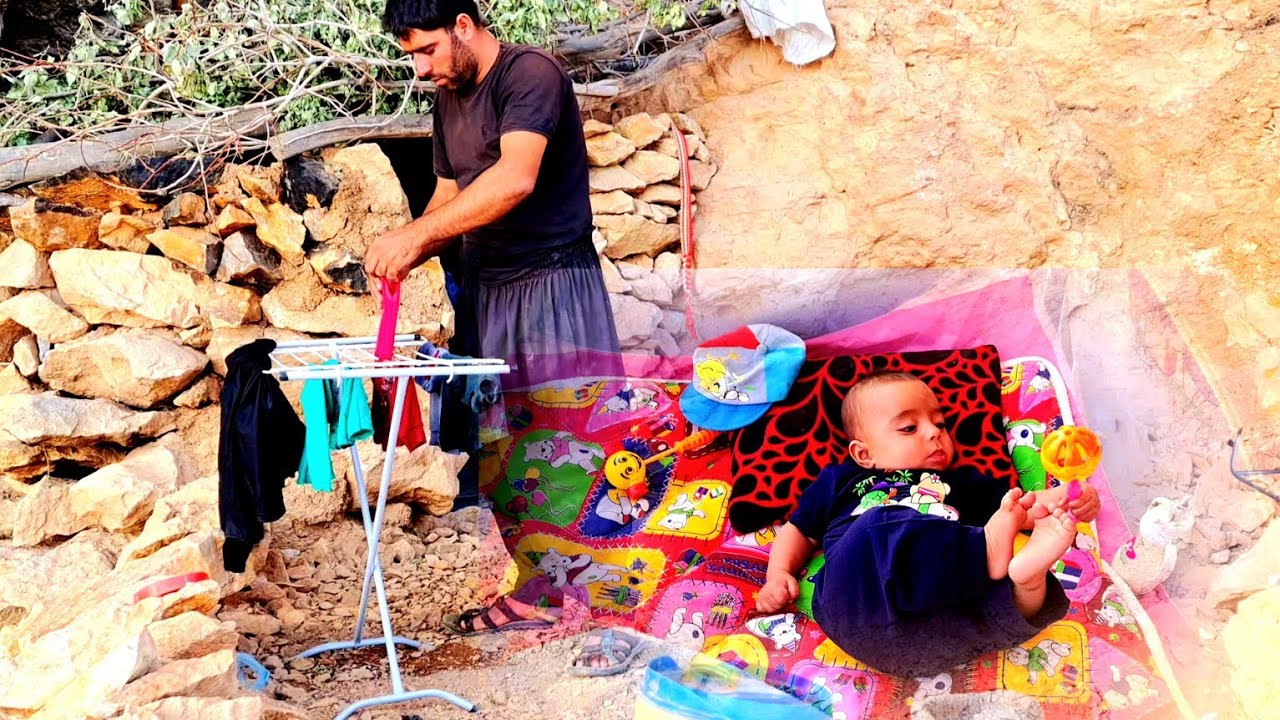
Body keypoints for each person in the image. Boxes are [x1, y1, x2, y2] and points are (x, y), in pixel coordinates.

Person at [368, 0, 628, 670]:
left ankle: (599, 598)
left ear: (463, 25)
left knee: (567, 443)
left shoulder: (529, 74)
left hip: (551, 285)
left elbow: (514, 179)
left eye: (426, 49)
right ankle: (539, 590)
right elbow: (447, 196)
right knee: (503, 452)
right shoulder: (447, 97)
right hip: (488, 293)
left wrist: (417, 236)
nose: (421, 68)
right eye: (410, 56)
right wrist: (405, 251)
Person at [756, 371, 1101, 677]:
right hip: (858, 604)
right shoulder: (842, 480)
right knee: (877, 526)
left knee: (999, 602)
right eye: (909, 428)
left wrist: (1072, 495)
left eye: (940, 424)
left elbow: (1022, 508)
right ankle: (984, 551)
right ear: (864, 454)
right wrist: (779, 573)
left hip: (936, 634)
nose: (935, 433)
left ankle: (1029, 583)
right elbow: (798, 529)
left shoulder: (963, 483)